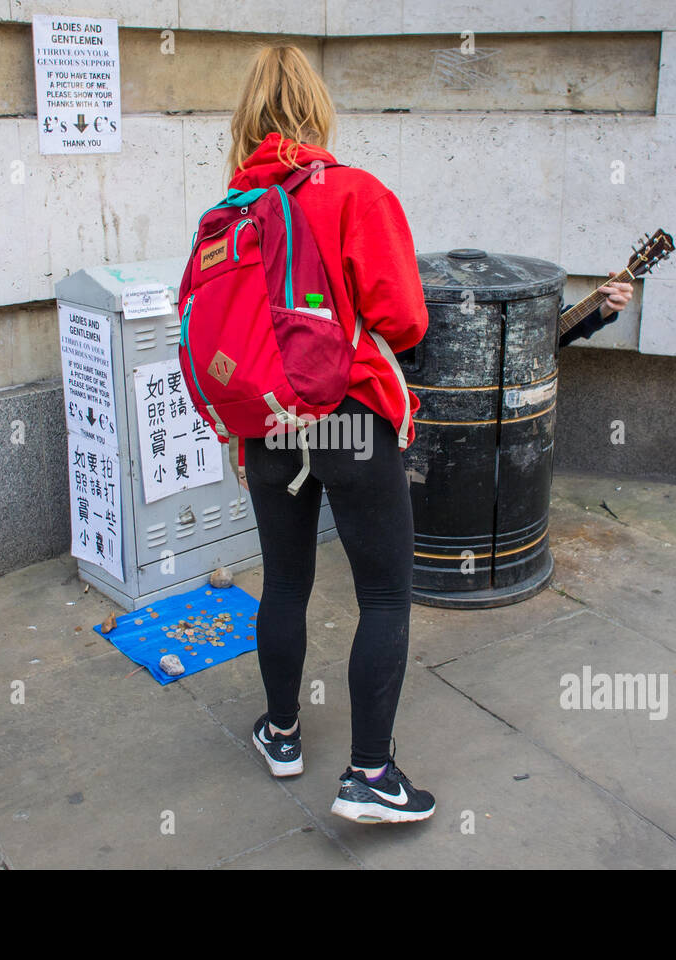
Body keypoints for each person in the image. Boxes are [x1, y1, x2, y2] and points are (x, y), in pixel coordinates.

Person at [222, 45, 633, 825]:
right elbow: (408, 319)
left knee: (284, 581)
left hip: (266, 425)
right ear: (317, 110)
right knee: (382, 594)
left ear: (246, 119)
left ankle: (280, 736)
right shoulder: (354, 194)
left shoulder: (232, 210)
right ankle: (370, 776)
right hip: (349, 419)